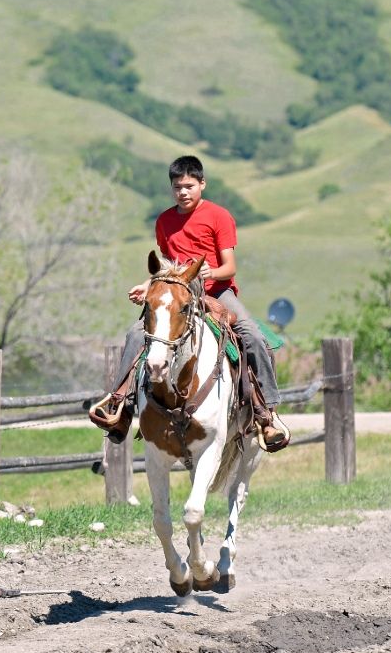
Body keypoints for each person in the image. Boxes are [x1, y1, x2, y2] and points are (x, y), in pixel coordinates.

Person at [93, 155, 287, 450]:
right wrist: (148, 286)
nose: (182, 192)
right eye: (177, 187)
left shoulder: (219, 216)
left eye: (188, 186)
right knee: (135, 335)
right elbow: (169, 266)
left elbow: (229, 267)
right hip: (178, 294)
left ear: (202, 184)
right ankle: (121, 407)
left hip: (216, 291)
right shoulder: (165, 221)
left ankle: (266, 414)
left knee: (253, 336)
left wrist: (212, 271)